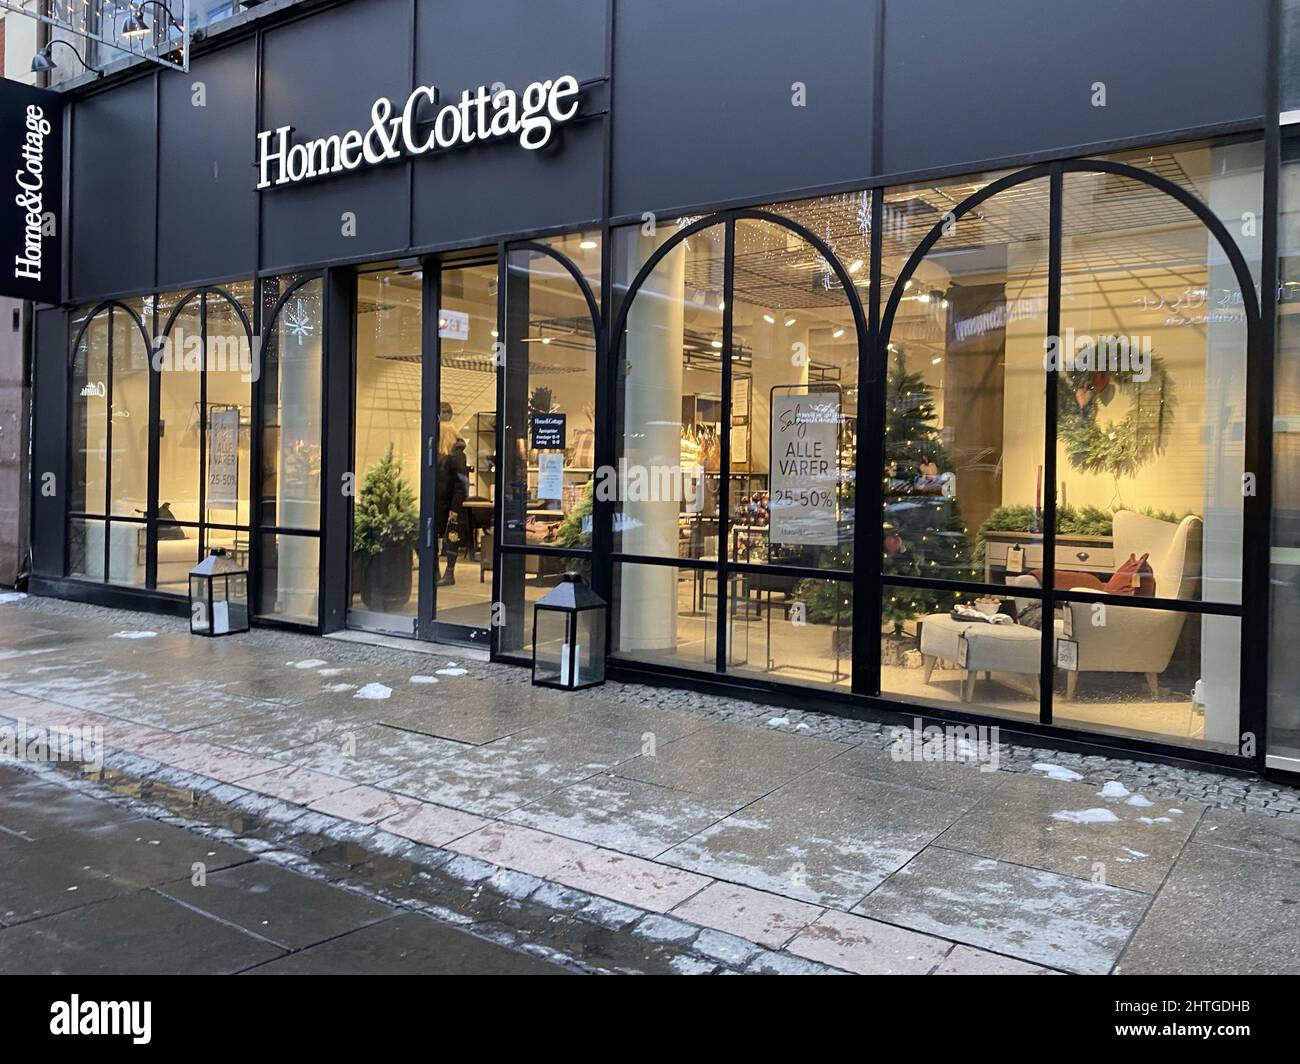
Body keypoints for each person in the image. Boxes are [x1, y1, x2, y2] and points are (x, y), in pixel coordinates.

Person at [437, 437, 470, 585]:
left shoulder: (456, 456)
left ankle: (449, 573)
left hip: (449, 504)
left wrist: (455, 507)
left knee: (452, 537)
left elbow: (461, 484)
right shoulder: (441, 454)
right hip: (439, 503)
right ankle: (436, 572)